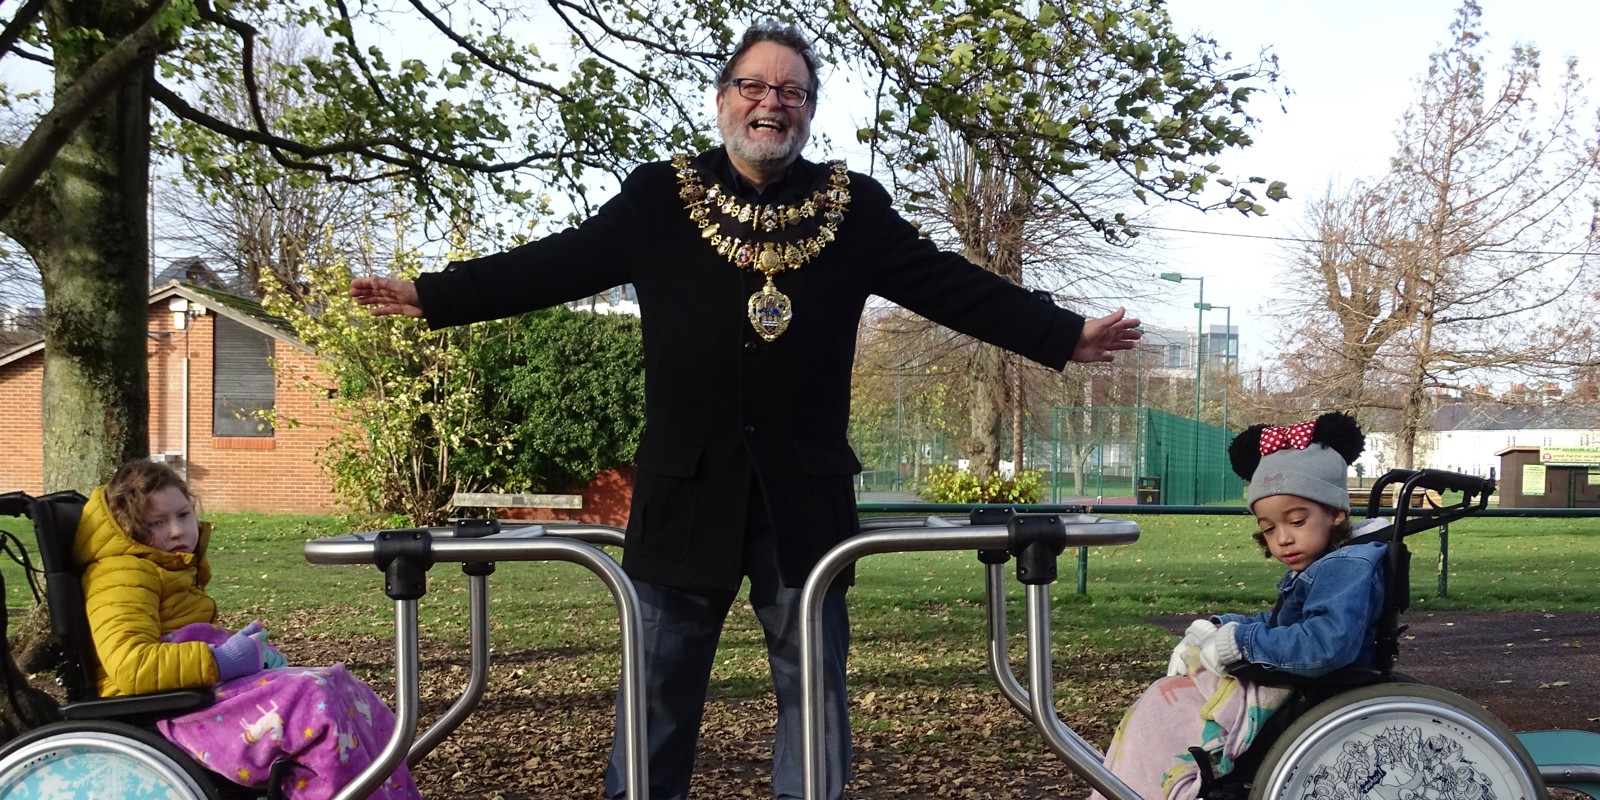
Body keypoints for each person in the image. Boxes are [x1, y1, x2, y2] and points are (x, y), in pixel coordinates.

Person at [351, 21, 1141, 800]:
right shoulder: (658, 198)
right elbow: (553, 263)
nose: (772, 103)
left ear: (809, 109)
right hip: (684, 496)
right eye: (755, 86)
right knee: (654, 695)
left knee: (814, 699)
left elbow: (949, 285)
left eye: (792, 91)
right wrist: (433, 294)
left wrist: (1061, 333)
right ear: (723, 97)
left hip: (804, 501)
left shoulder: (852, 208)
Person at [74, 459, 422, 800]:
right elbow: (131, 666)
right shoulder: (121, 575)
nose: (177, 530)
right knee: (313, 699)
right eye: (157, 522)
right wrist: (223, 660)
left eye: (183, 515)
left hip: (192, 695)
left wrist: (247, 656)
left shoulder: (165, 566)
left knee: (341, 684)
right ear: (131, 528)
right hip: (160, 710)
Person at [1092, 411, 1381, 800]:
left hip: (1304, 690)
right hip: (1292, 685)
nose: (1282, 539)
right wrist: (1217, 625)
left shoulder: (1346, 567)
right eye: (1268, 528)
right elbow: (1281, 623)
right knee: (1162, 701)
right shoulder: (1327, 564)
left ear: (1335, 512)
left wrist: (1241, 643)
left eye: (1296, 521)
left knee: (1163, 711)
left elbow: (1326, 644)